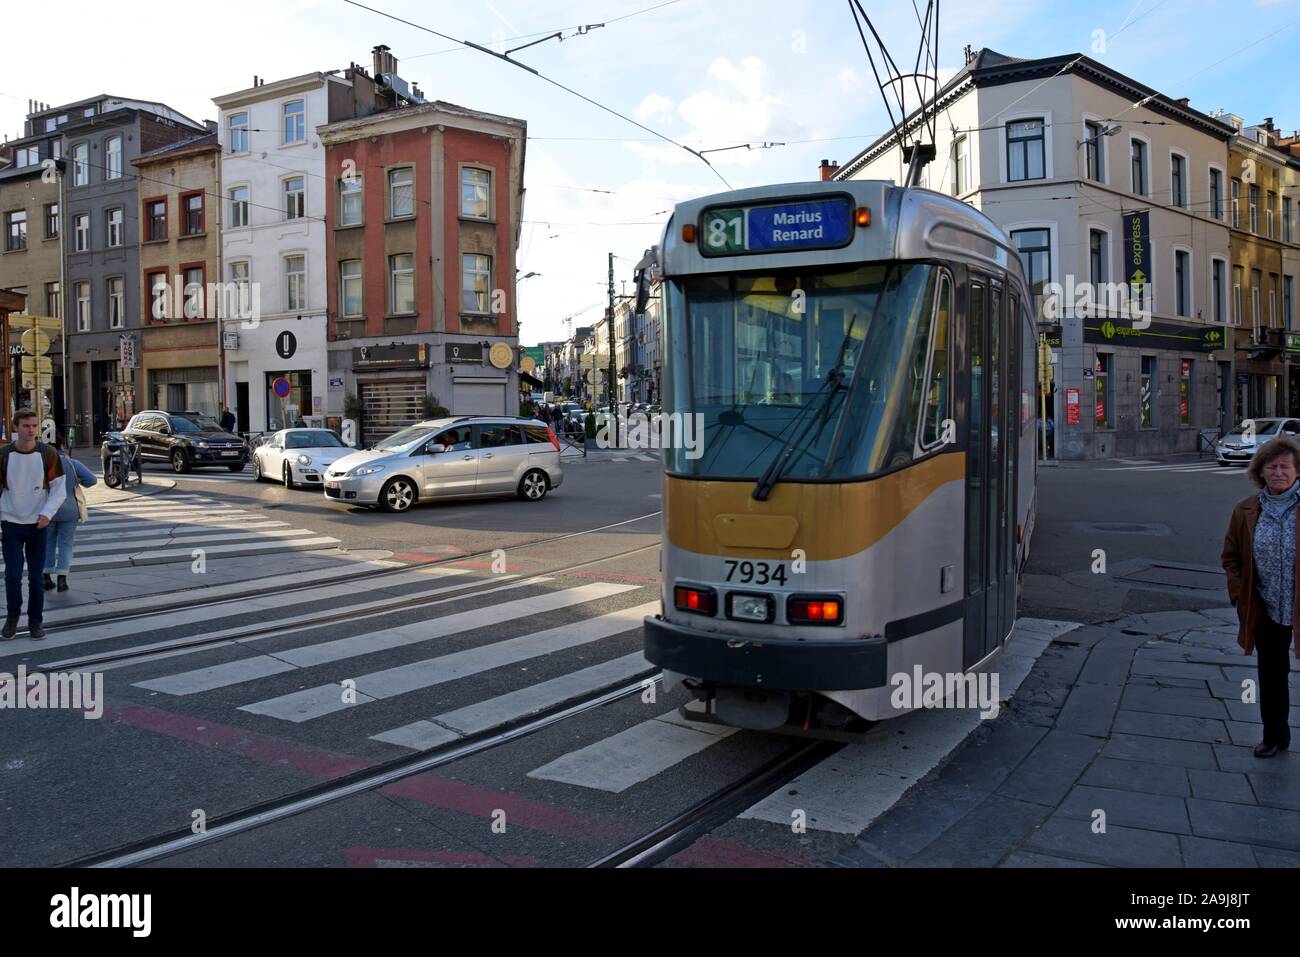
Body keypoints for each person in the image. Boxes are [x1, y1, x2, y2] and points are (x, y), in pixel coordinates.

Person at [1222, 434, 1300, 757]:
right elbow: (1231, 557)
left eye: (1285, 467)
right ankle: (1274, 735)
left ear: (1297, 471)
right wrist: (1241, 595)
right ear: (1261, 472)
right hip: (1265, 606)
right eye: (1271, 467)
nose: (1278, 472)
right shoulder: (1246, 510)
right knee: (1270, 675)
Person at [0, 408, 65, 641]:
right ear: (16, 428)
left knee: (36, 577)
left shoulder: (47, 453)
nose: (31, 431)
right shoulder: (4, 454)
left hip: (38, 524)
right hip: (10, 523)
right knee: (13, 575)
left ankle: (36, 622)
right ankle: (12, 618)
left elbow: (59, 487)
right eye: (26, 426)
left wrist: (47, 514)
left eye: (34, 426)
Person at [43, 436, 97, 593]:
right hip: (69, 510)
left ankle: (46, 576)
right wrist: (76, 481)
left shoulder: (41, 464)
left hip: (47, 510)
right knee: (66, 544)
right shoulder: (72, 463)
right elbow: (92, 480)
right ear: (61, 445)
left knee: (48, 543)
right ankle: (62, 579)